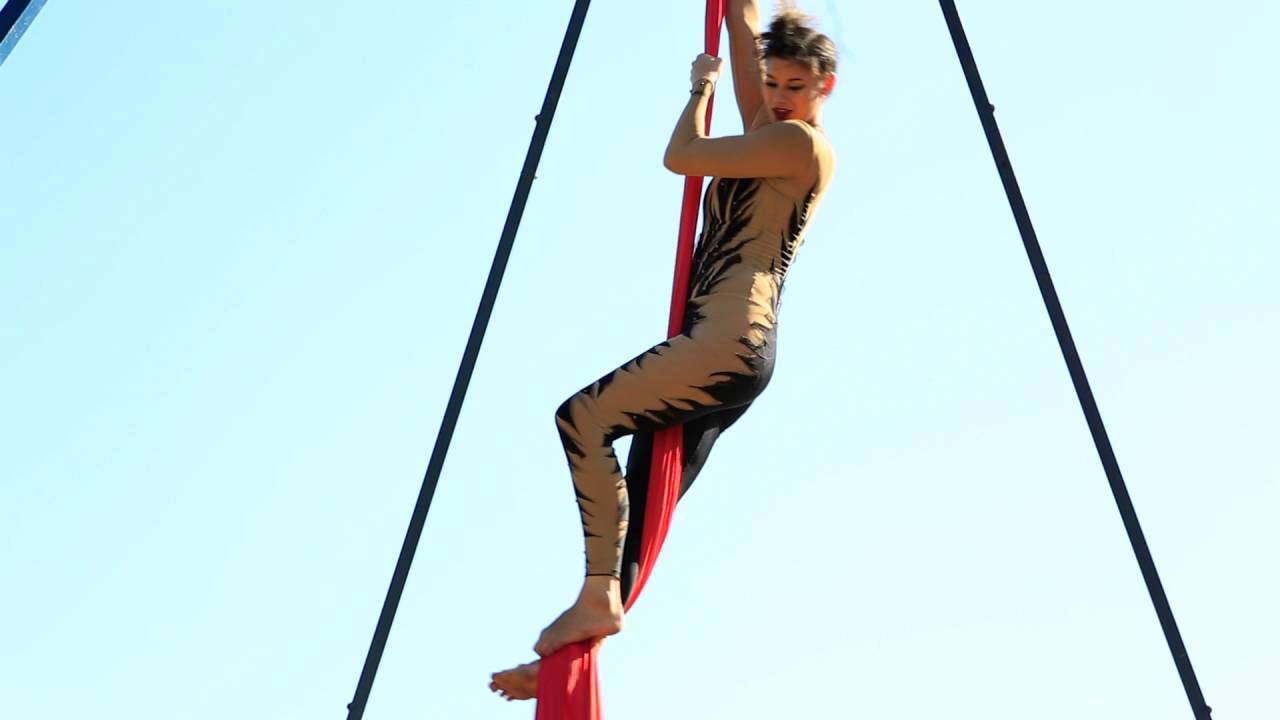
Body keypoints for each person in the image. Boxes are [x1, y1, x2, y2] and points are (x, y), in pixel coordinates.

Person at [491, 1, 837, 701]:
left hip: (725, 341)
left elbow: (681, 155)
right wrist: (739, 29)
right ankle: (581, 645)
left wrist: (700, 90)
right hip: (729, 350)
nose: (776, 98)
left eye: (793, 87)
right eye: (772, 85)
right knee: (648, 499)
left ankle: (595, 600)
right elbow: (742, 29)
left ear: (824, 87)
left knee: (583, 420)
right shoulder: (769, 130)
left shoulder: (798, 147)